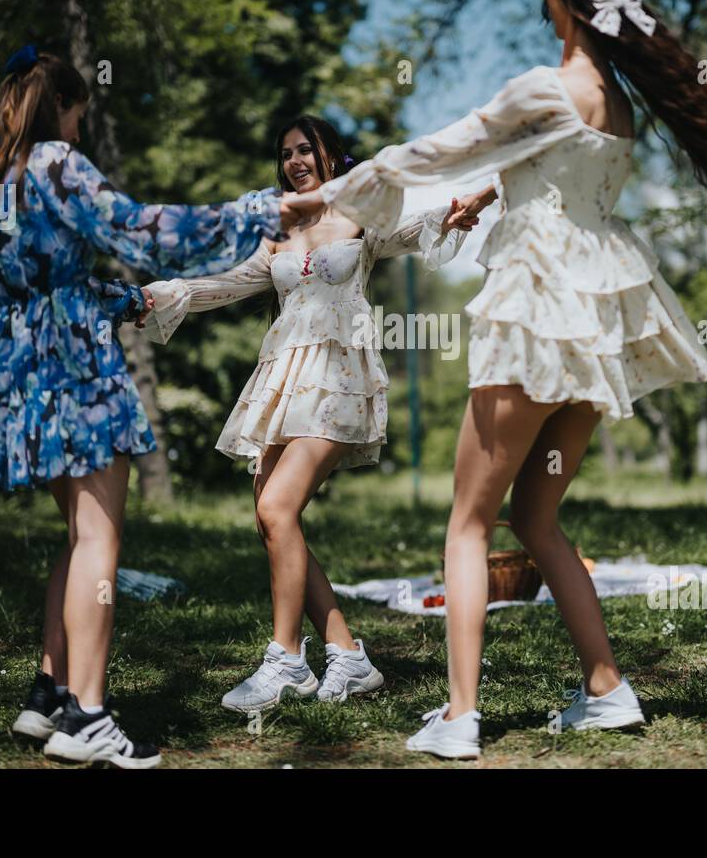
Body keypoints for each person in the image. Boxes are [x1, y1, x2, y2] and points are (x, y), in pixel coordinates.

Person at [314, 0, 707, 758]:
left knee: (469, 521)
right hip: (599, 319)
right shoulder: (617, 100)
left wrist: (337, 194)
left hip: (537, 310)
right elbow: (558, 173)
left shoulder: (546, 86)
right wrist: (494, 188)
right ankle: (607, 689)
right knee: (537, 518)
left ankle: (460, 716)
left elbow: (438, 146)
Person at [0, 46, 324, 767]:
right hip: (73, 362)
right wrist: (250, 212)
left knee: (76, 532)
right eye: (79, 116)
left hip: (18, 357)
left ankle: (49, 694)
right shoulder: (57, 163)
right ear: (60, 106)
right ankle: (89, 717)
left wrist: (123, 301)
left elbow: (37, 278)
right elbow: (139, 228)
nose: (81, 133)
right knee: (100, 540)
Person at [143, 115, 475, 713]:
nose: (295, 160)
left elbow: (414, 227)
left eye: (306, 149)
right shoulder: (276, 231)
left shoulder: (358, 213)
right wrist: (166, 293)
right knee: (273, 520)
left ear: (329, 153)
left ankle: (286, 660)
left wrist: (455, 209)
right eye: (287, 153)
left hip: (341, 378)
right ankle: (347, 657)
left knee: (276, 507)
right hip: (282, 380)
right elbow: (228, 283)